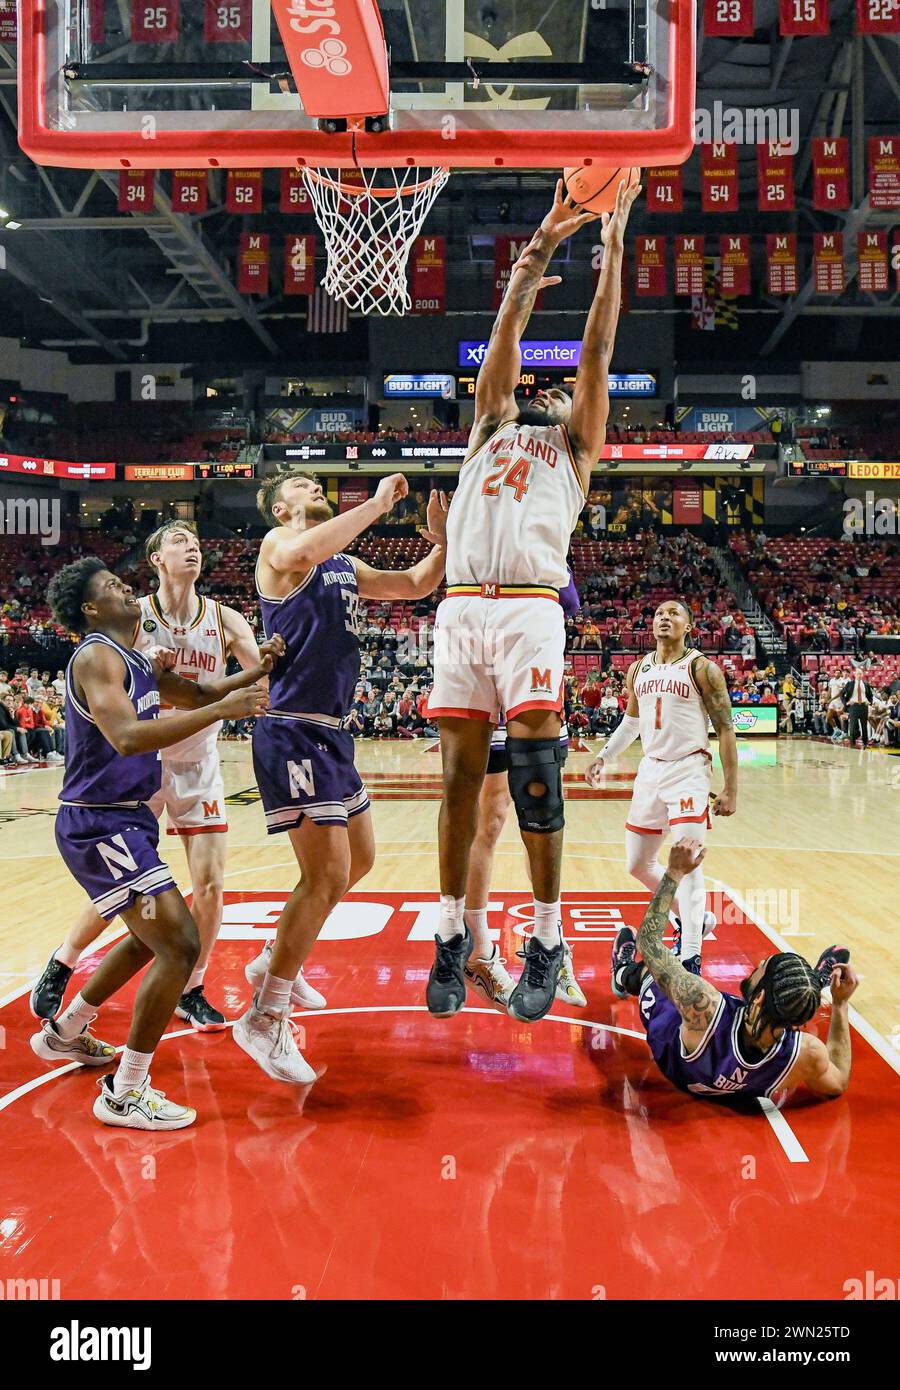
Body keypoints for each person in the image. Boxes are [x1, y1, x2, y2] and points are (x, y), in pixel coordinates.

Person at [425, 175, 641, 1024]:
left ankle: (549, 938)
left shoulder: (576, 444)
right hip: (460, 610)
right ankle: (451, 934)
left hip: (526, 608)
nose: (545, 388)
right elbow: (503, 333)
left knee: (538, 776)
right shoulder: (487, 427)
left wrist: (613, 252)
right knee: (458, 783)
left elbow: (596, 350)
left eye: (553, 389)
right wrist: (541, 246)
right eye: (535, 386)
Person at [29, 557, 271, 1129]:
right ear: (91, 608)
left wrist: (258, 671)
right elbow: (128, 737)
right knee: (181, 945)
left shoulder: (137, 659)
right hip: (98, 823)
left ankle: (66, 1031)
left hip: (126, 819)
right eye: (112, 586)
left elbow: (202, 691)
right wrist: (221, 709)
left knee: (148, 940)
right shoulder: (95, 656)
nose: (126, 588)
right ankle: (125, 1090)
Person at [233, 468, 448, 1085]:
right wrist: (378, 504)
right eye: (298, 484)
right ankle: (265, 1017)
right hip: (293, 726)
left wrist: (442, 541)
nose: (312, 484)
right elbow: (304, 548)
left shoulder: (343, 564)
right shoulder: (279, 551)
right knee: (324, 874)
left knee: (359, 860)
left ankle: (276, 957)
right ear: (278, 508)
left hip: (332, 729)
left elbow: (413, 585)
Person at [611, 841, 857, 1101]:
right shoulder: (806, 1054)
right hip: (715, 1075)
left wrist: (673, 873)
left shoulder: (701, 1005)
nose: (757, 966)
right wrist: (840, 1004)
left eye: (761, 969)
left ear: (760, 997)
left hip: (671, 1045)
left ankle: (622, 970)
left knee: (663, 973)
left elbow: (648, 944)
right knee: (689, 973)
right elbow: (838, 1081)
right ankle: (808, 988)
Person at [585, 598, 738, 975]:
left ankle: (691, 954)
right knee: (637, 863)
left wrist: (731, 787)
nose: (663, 618)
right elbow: (631, 724)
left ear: (689, 626)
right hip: (651, 771)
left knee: (687, 860)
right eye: (657, 614)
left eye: (673, 613)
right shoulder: (638, 668)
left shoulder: (702, 668)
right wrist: (603, 755)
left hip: (688, 769)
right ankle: (695, 918)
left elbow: (725, 728)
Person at [462, 572, 586, 1011]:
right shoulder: (476, 536)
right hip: (485, 683)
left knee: (542, 822)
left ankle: (552, 942)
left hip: (535, 682)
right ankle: (478, 952)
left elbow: (568, 601)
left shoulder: (538, 543)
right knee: (488, 821)